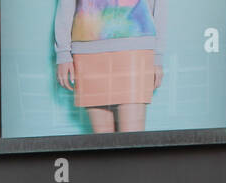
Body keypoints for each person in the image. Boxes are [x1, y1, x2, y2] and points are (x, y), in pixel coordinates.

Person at [54, 0, 166, 134]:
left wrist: (158, 55)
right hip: (88, 49)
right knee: (104, 144)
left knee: (132, 143)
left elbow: (160, 5)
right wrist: (63, 53)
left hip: (136, 47)